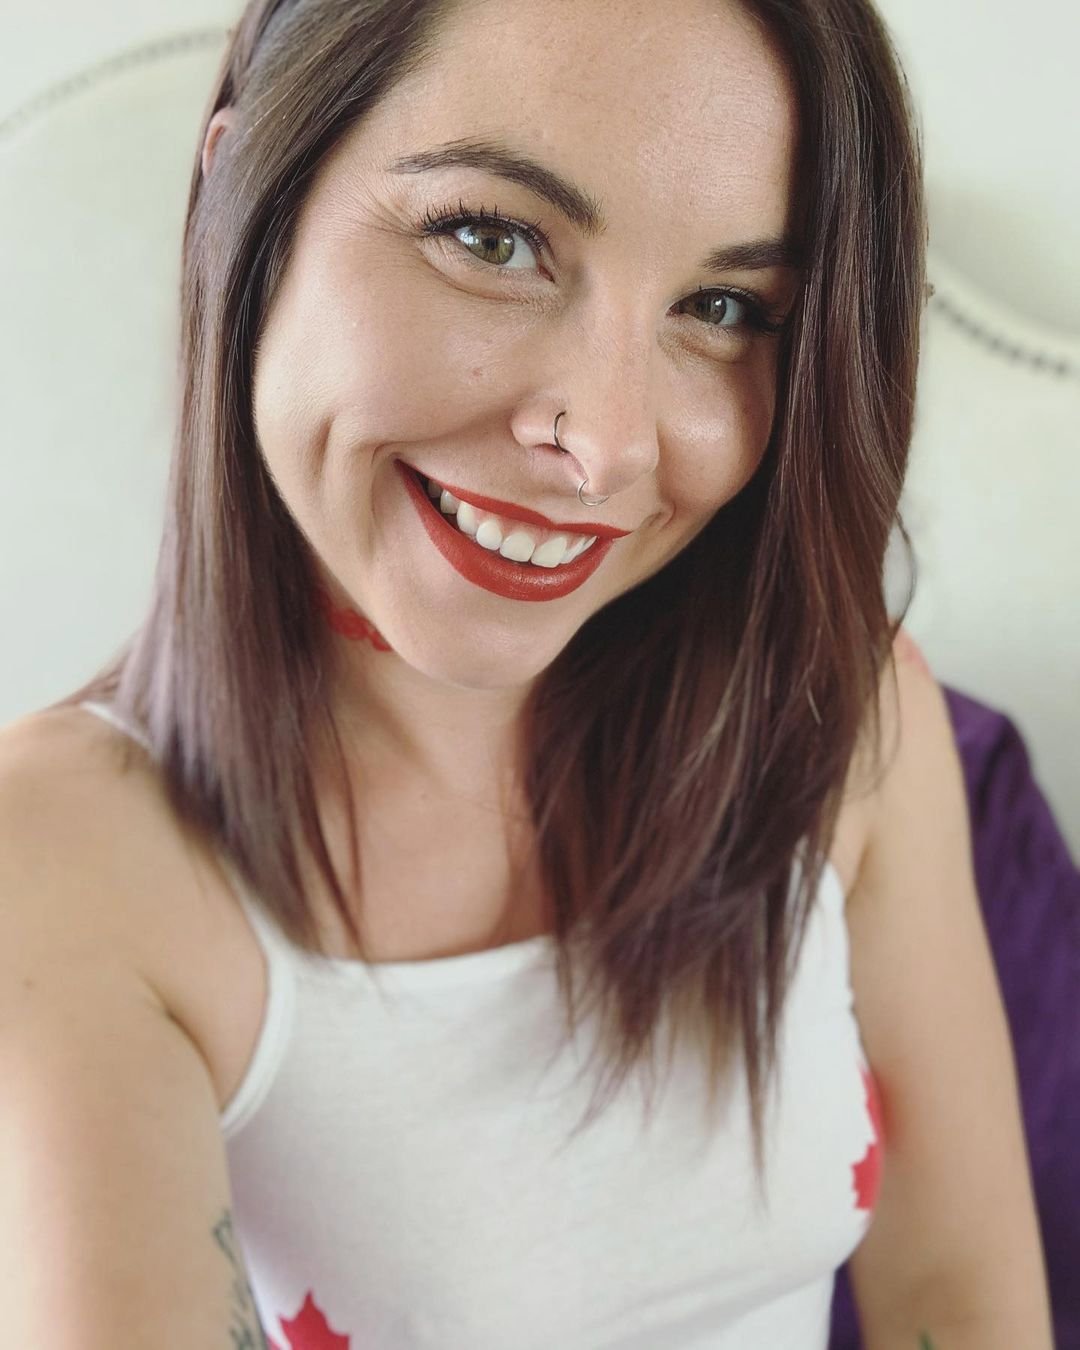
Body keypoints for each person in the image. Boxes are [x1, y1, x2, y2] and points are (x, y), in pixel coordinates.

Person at [0, 0, 1054, 1345]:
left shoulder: (845, 715)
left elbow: (962, 1302)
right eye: (492, 240)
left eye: (722, 308)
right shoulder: (61, 864)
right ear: (240, 199)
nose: (605, 445)